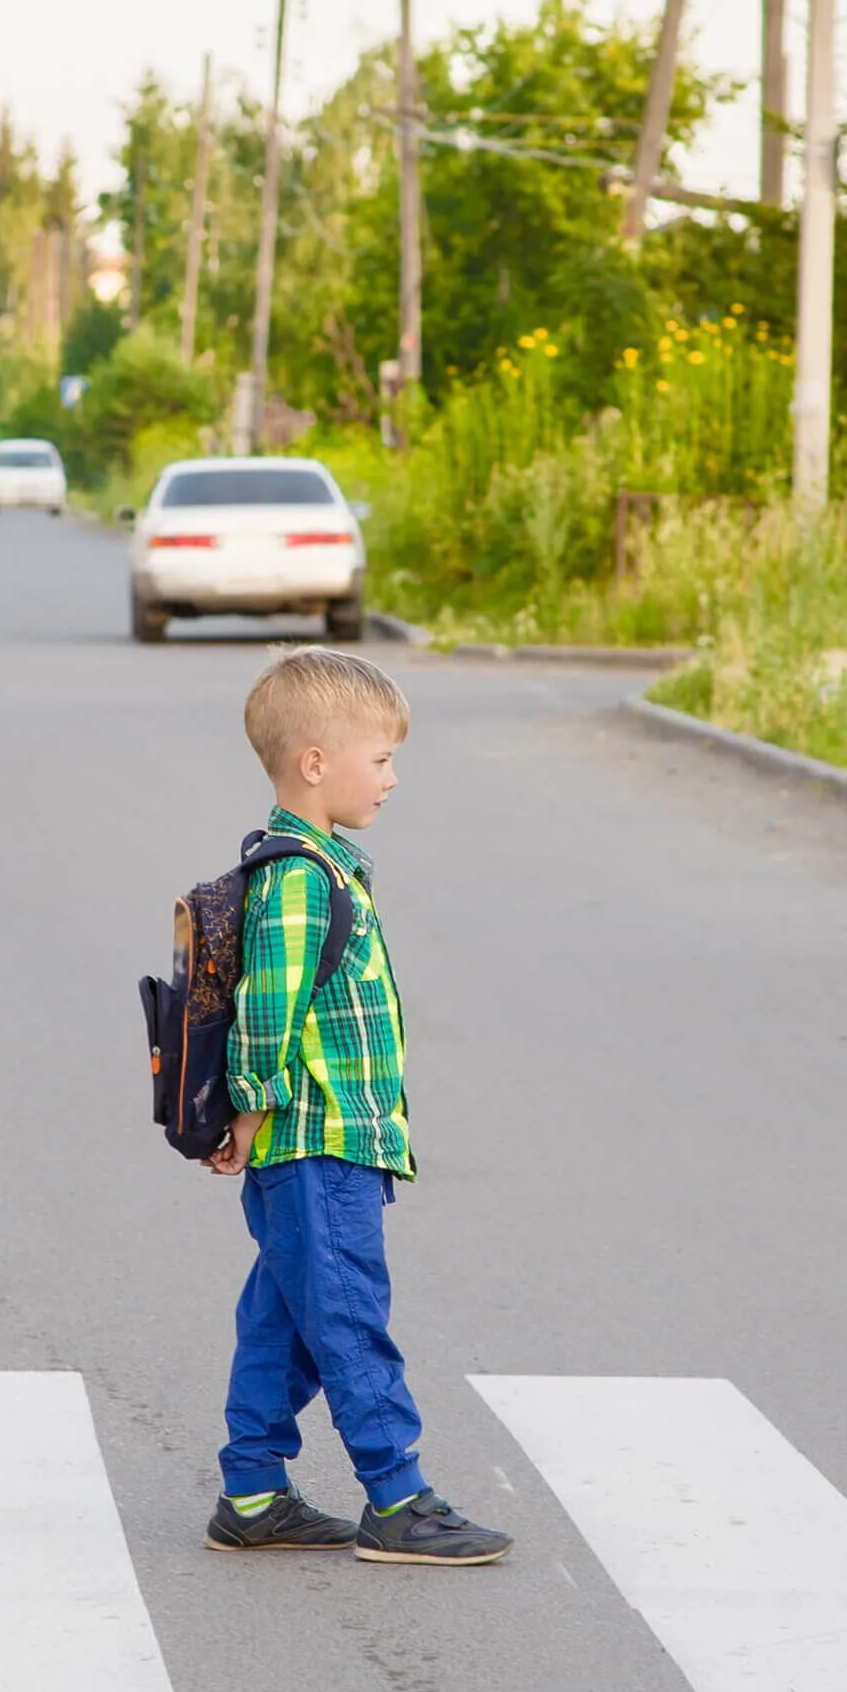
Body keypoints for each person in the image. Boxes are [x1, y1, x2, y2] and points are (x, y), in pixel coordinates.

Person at [202, 647, 514, 1566]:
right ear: (314, 764)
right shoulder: (299, 877)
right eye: (378, 759)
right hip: (315, 1146)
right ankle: (396, 1496)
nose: (392, 777)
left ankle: (253, 1493)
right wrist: (251, 1113)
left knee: (286, 1322)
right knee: (345, 1319)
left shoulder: (328, 864)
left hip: (332, 1145)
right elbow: (268, 1008)